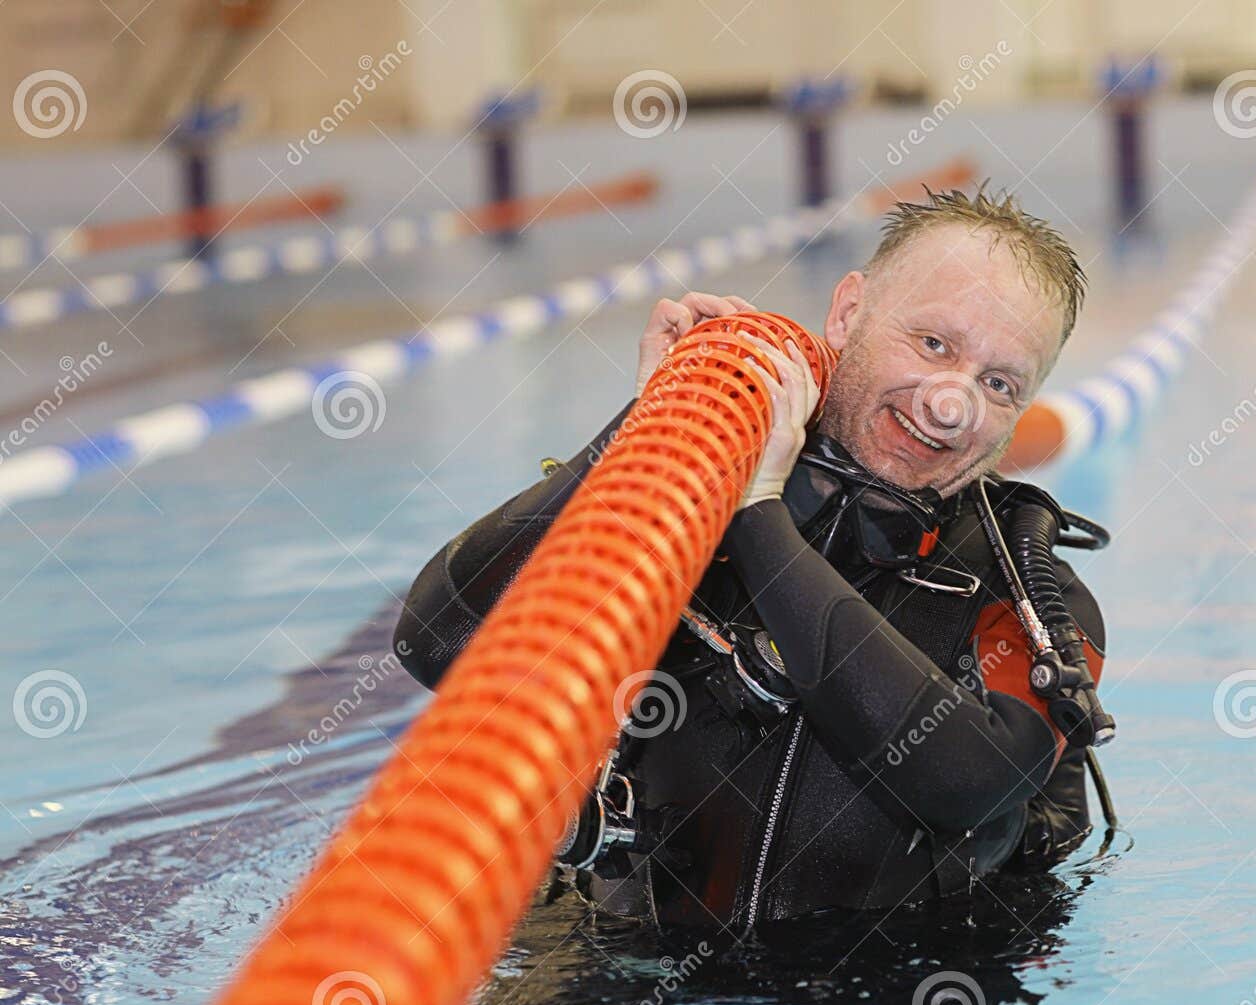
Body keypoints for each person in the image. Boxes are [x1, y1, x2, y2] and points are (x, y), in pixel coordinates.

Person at [394, 186, 1110, 932]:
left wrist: (755, 513)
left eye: (999, 384)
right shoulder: (675, 510)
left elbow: (966, 783)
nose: (950, 404)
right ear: (848, 313)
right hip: (620, 958)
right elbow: (438, 646)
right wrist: (651, 430)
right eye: (932, 344)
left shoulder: (1031, 599)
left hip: (901, 980)